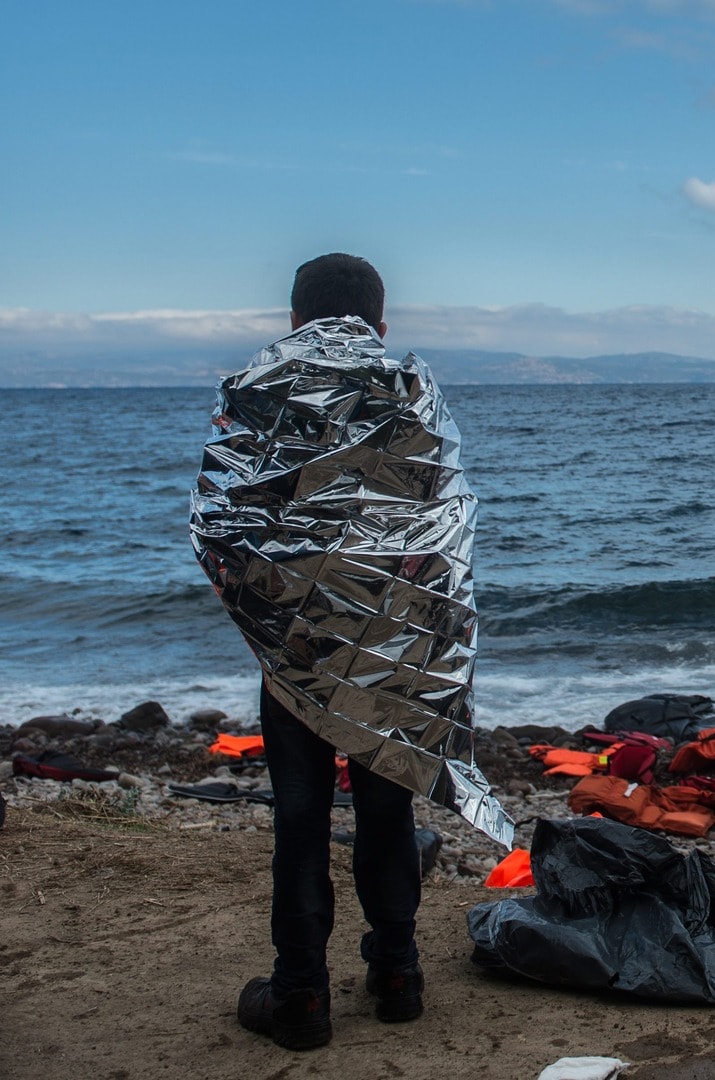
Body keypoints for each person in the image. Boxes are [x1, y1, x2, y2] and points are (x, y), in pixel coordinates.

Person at [225, 255, 425, 1050]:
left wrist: (263, 615)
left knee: (302, 813)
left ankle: (302, 994)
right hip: (389, 641)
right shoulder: (411, 392)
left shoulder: (258, 393)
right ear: (380, 325)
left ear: (294, 322)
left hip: (296, 641)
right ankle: (398, 973)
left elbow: (224, 522)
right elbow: (437, 531)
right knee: (388, 805)